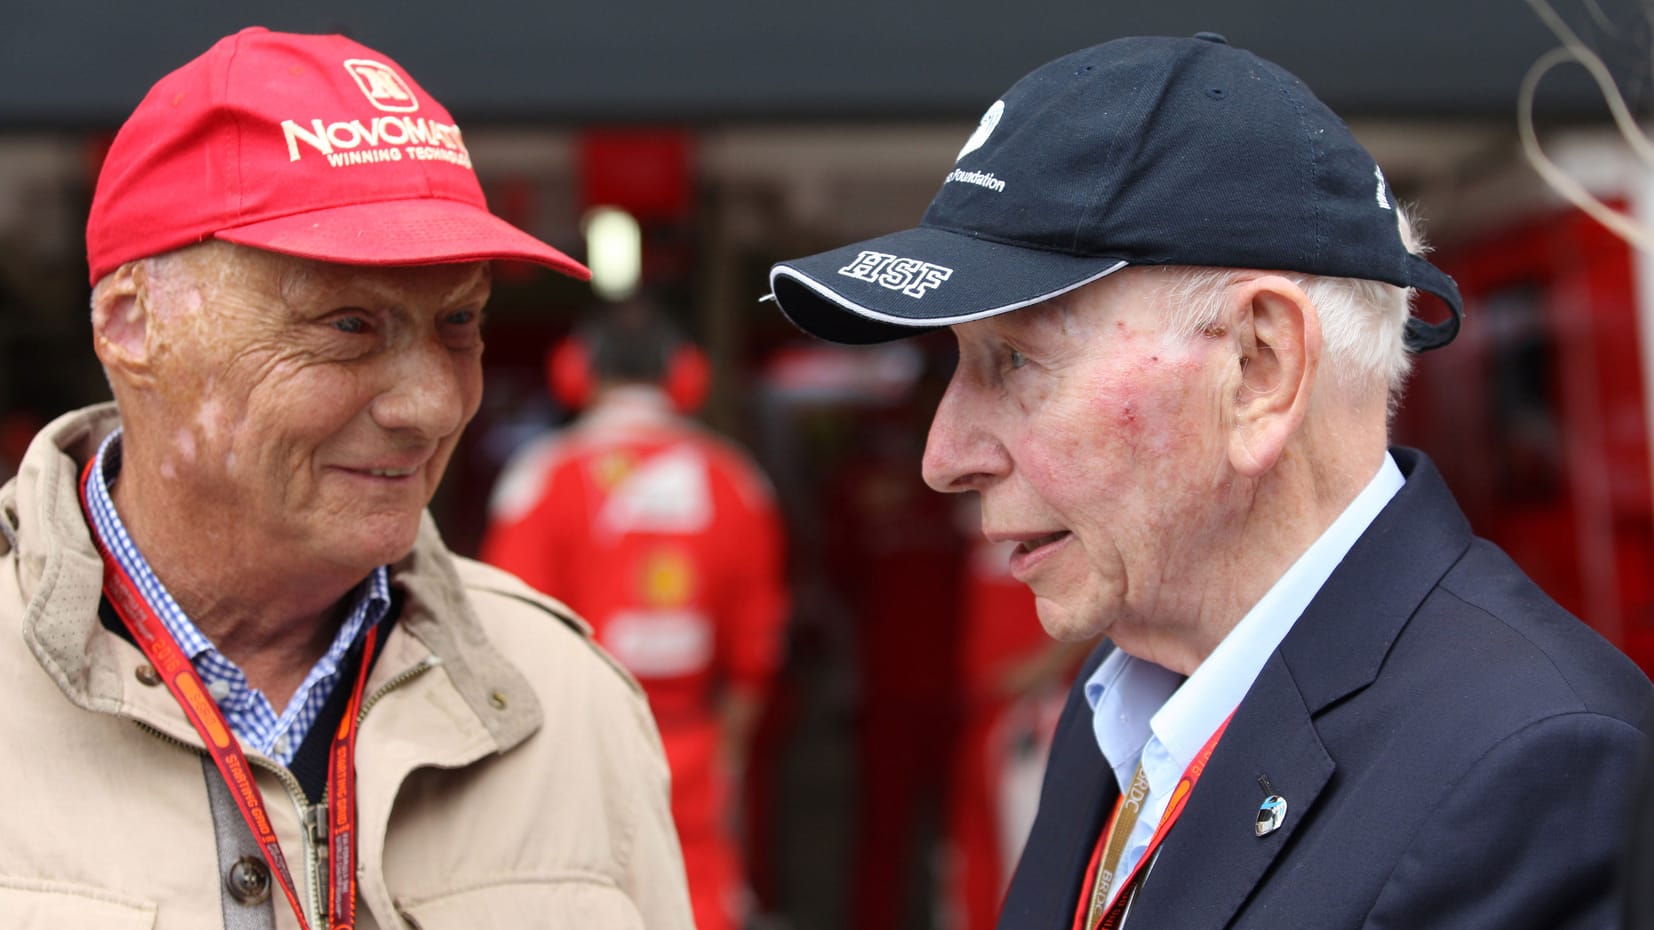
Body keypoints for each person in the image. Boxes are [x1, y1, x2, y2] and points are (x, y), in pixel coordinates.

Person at [763, 32, 1653, 930]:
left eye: (1016, 358)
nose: (943, 455)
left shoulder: (1532, 764)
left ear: (1259, 368)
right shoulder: (1128, 691)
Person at [0, 28, 692, 929]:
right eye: (349, 326)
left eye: (459, 322)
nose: (434, 405)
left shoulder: (568, 699)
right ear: (134, 325)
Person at [480, 299, 789, 930]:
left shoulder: (541, 478)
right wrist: (724, 750)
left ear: (574, 371)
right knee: (700, 902)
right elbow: (757, 649)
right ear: (686, 375)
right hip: (696, 742)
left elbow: (504, 636)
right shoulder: (737, 480)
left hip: (572, 749)